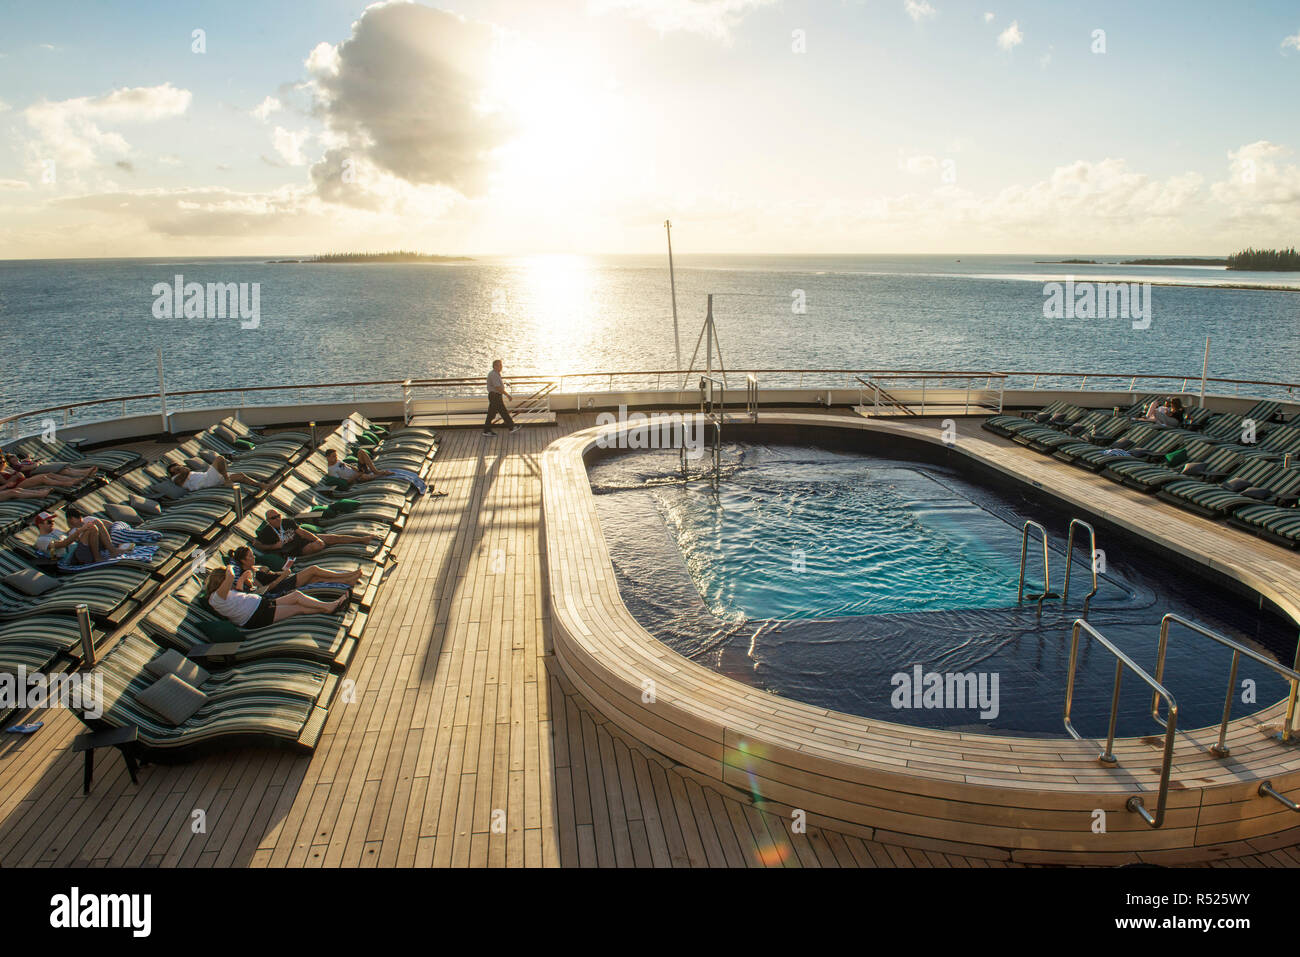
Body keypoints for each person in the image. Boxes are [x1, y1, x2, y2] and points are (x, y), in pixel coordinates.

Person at [205, 565, 348, 629]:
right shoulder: (216, 597)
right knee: (296, 608)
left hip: (262, 605)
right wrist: (229, 566)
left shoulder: (222, 595)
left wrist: (242, 578)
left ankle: (329, 606)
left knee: (296, 595)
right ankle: (329, 607)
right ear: (220, 581)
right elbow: (230, 576)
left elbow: (238, 593)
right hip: (256, 616)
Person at [228, 545, 362, 598]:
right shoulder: (248, 575)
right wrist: (283, 577)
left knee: (315, 579)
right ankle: (346, 575)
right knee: (313, 570)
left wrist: (281, 572)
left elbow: (273, 575)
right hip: (280, 587)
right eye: (250, 556)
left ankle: (346, 580)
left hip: (284, 579)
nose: (254, 557)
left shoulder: (255, 568)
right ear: (243, 561)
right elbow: (264, 589)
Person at [253, 508, 379, 558]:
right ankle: (323, 546)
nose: (277, 519)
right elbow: (256, 544)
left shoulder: (287, 522)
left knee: (334, 538)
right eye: (273, 518)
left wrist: (315, 538)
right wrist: (273, 547)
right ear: (268, 521)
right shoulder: (266, 532)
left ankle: (362, 540)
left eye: (278, 515)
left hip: (303, 541)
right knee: (319, 545)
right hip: (295, 550)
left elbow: (302, 532)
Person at [31, 510, 135, 564]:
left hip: (79, 549)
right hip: (72, 557)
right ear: (40, 525)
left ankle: (111, 549)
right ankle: (99, 557)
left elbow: (67, 537)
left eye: (53, 521)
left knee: (95, 523)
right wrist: (82, 529)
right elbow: (63, 544)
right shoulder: (41, 540)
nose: (52, 523)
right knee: (91, 528)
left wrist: (75, 530)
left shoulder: (55, 531)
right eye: (49, 522)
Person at [323, 447, 437, 496]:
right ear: (328, 458)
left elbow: (345, 465)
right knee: (365, 477)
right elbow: (345, 482)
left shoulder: (337, 461)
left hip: (359, 472)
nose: (335, 458)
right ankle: (380, 473)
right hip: (358, 479)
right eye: (333, 456)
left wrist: (354, 468)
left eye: (336, 456)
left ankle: (376, 471)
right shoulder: (331, 471)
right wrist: (357, 475)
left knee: (361, 452)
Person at [168, 454, 270, 492]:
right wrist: (179, 468)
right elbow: (186, 471)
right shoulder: (175, 478)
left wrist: (179, 467)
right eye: (175, 469)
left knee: (240, 476)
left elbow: (186, 470)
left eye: (177, 467)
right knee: (220, 459)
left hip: (209, 478)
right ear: (172, 472)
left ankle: (261, 485)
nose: (177, 468)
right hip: (206, 481)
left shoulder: (183, 472)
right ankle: (227, 480)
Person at [483, 359, 522, 437]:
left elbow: (499, 385)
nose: (501, 367)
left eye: (501, 365)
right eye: (499, 365)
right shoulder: (493, 374)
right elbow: (497, 387)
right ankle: (511, 427)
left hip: (495, 396)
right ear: (494, 366)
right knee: (503, 412)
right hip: (495, 395)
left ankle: (486, 430)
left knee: (492, 414)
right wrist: (507, 395)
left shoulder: (496, 374)